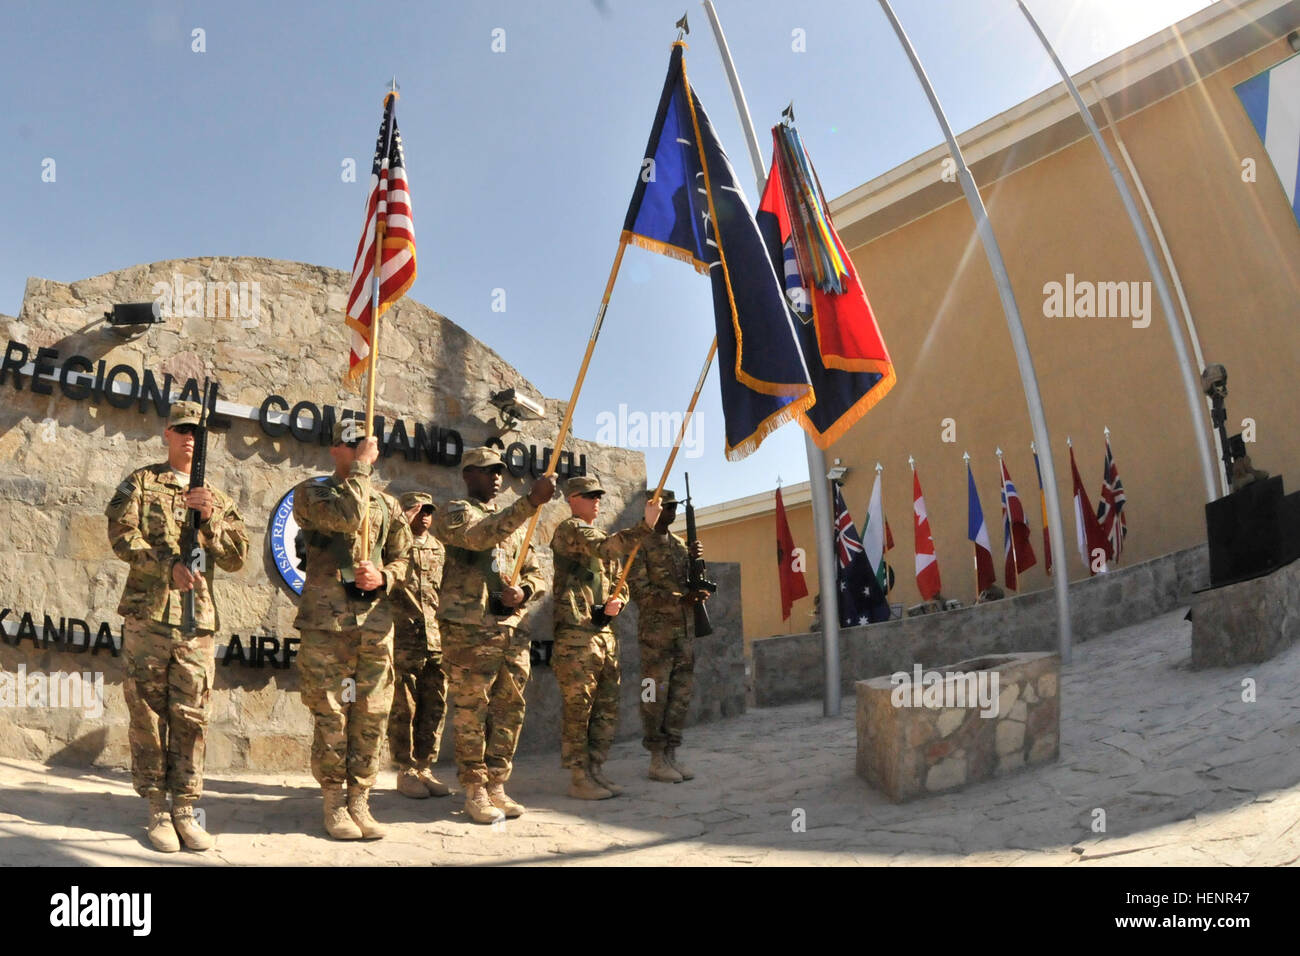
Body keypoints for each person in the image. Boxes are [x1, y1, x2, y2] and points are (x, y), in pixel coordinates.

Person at [105, 399, 249, 852]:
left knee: (191, 715)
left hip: (196, 622)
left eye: (198, 432)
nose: (191, 437)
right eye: (183, 429)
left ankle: (186, 807)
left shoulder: (217, 499)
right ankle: (157, 809)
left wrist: (209, 522)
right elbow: (121, 534)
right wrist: (165, 564)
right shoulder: (142, 482)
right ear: (167, 434)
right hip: (149, 616)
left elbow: (236, 557)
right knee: (147, 714)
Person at [293, 418, 412, 841]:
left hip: (375, 627)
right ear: (334, 450)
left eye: (362, 445)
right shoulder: (313, 492)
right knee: (332, 715)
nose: (356, 451)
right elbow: (346, 517)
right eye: (349, 445)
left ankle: (360, 797)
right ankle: (333, 801)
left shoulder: (388, 504)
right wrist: (361, 470)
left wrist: (384, 577)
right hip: (329, 626)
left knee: (371, 714)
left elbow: (405, 557)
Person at [429, 446, 552, 824]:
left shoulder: (517, 526)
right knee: (471, 710)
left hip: (511, 629)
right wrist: (529, 501)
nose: (496, 476)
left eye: (499, 470)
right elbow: (479, 537)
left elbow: (536, 573)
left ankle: (497, 782)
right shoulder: (455, 512)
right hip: (470, 630)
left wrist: (525, 592)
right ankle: (475, 788)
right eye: (486, 470)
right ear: (468, 475)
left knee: (509, 708)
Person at [550, 476, 659, 799]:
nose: (597, 501)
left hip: (603, 635)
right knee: (579, 708)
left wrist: (618, 602)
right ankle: (579, 776)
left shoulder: (599, 538)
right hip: (576, 635)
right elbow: (604, 546)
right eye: (589, 496)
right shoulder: (571, 530)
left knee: (605, 708)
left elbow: (620, 583)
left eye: (599, 495)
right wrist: (645, 526)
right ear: (572, 499)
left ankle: (596, 769)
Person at [628, 490, 710, 783]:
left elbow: (693, 581)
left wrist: (697, 562)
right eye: (667, 507)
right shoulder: (640, 544)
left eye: (675, 507)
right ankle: (655, 757)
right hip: (656, 638)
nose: (672, 512)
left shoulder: (679, 545)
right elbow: (638, 591)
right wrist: (679, 600)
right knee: (653, 695)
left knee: (680, 696)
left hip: (683, 634)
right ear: (653, 509)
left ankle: (671, 753)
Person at [389, 490, 451, 799]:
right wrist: (400, 526)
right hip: (403, 639)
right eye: (417, 510)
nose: (424, 515)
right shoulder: (394, 548)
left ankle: (425, 767)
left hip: (435, 639)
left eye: (429, 510)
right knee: (404, 708)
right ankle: (406, 771)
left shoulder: (439, 549)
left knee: (434, 706)